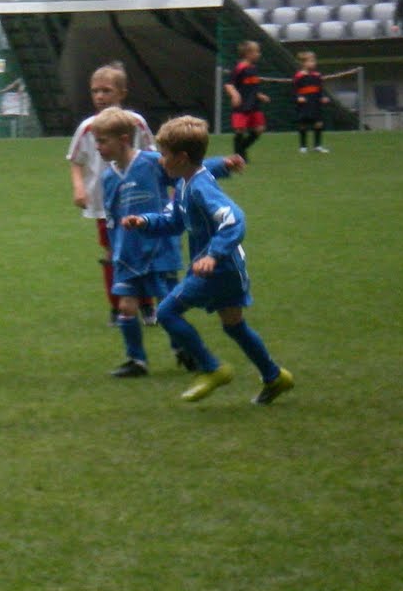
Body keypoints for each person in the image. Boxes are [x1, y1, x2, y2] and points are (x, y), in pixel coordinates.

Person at [121, 115, 293, 404]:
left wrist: (213, 255)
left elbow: (234, 219)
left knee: (166, 313)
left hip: (217, 270)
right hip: (227, 268)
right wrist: (145, 222)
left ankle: (212, 368)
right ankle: (275, 377)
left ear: (181, 158)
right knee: (234, 325)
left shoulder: (200, 187)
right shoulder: (187, 185)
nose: (160, 161)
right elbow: (174, 221)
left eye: (164, 155)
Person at [92, 106, 182, 377]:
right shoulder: (107, 178)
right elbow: (111, 216)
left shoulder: (152, 163)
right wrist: (110, 247)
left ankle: (183, 348)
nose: (98, 147)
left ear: (123, 140)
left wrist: (175, 209)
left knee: (167, 305)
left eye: (102, 141)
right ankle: (136, 360)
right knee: (126, 306)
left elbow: (183, 177)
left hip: (159, 247)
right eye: (96, 141)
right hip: (127, 253)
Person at [67, 62, 156, 325]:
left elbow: (152, 156)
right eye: (95, 91)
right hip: (103, 203)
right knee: (112, 254)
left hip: (138, 199)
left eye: (106, 90)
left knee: (141, 250)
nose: (100, 96)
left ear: (122, 93)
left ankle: (147, 305)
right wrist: (79, 187)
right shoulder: (87, 127)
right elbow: (76, 160)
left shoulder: (136, 123)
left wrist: (163, 190)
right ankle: (117, 307)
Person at [225, 39, 269, 160]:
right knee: (240, 130)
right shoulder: (239, 68)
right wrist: (234, 94)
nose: (259, 54)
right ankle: (238, 155)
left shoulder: (253, 68)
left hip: (254, 104)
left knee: (260, 129)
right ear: (248, 54)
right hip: (241, 105)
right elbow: (229, 84)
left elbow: (252, 86)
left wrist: (260, 95)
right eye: (256, 52)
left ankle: (241, 149)